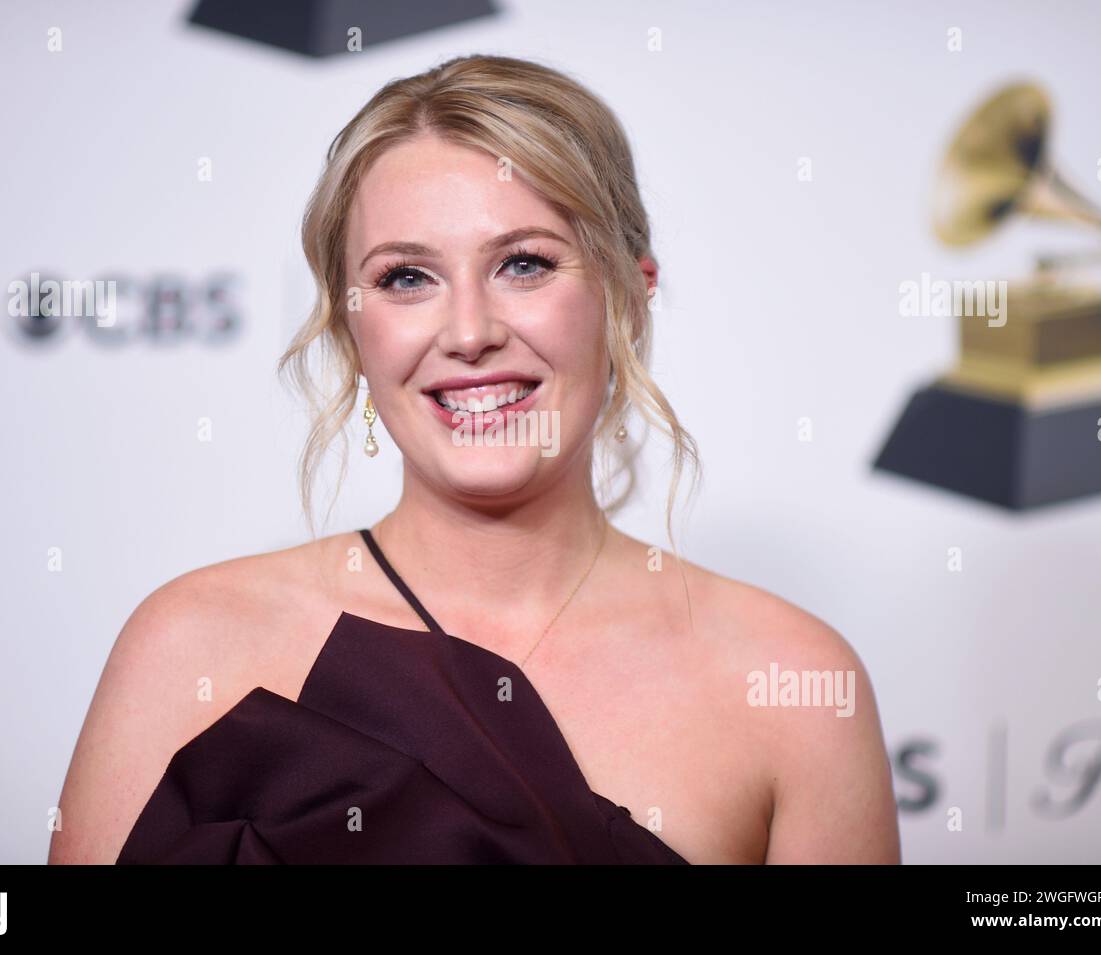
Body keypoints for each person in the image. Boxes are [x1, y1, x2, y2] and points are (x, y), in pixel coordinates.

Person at [48, 54, 900, 865]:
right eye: (406, 278)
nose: (468, 333)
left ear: (629, 295)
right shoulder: (189, 646)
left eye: (523, 264)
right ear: (351, 326)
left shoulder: (792, 684)